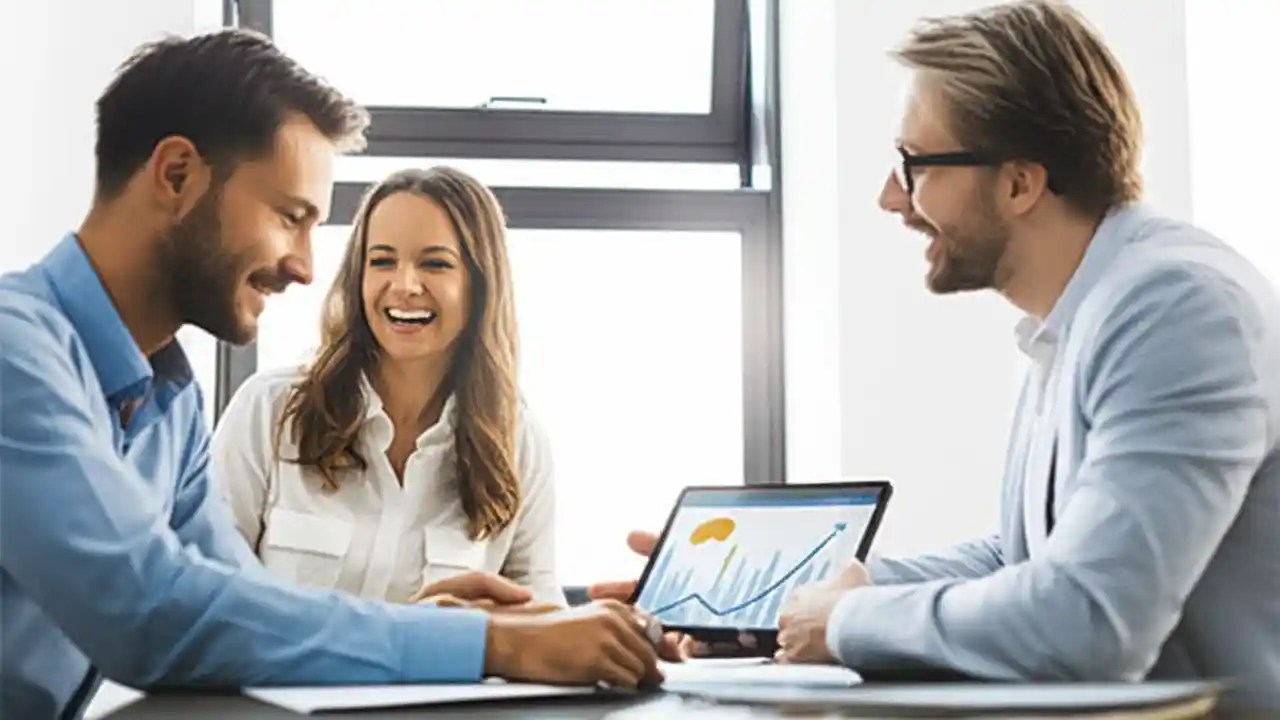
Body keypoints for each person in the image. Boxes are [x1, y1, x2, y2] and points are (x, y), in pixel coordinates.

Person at [597, 0, 1280, 711]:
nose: (892, 198)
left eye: (913, 163)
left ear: (1020, 182)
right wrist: (794, 598)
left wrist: (846, 620)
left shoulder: (1177, 307)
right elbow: (1025, 561)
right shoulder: (1080, 313)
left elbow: (1087, 620)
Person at [0, 29, 659, 719]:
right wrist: (492, 643)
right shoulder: (17, 355)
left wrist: (477, 630)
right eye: (291, 218)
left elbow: (243, 611)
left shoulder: (171, 403)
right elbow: (152, 615)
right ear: (176, 176)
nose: (307, 268)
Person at [211, 166, 563, 608]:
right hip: (275, 678)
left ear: (480, 282)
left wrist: (628, 632)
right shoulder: (269, 409)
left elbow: (542, 617)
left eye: (435, 264)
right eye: (382, 261)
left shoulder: (520, 445)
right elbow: (208, 598)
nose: (404, 286)